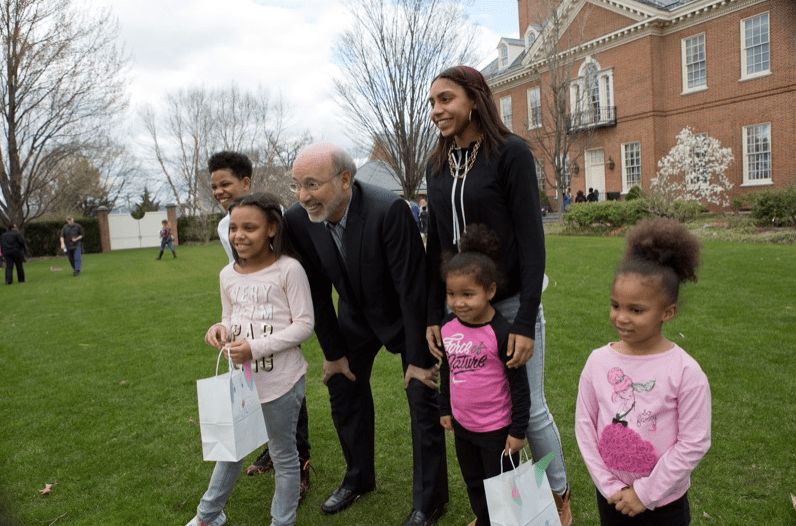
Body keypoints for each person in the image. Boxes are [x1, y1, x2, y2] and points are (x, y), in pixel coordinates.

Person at [424, 65, 572, 526]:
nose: (436, 111)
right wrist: (436, 311)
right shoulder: (437, 164)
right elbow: (437, 242)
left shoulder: (510, 154)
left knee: (529, 408)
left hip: (509, 304)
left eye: (445, 99)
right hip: (460, 310)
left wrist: (526, 319)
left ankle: (558, 492)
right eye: (431, 103)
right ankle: (503, 508)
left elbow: (532, 239)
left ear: (474, 98)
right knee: (479, 413)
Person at [284, 142, 448, 526]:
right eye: (296, 185)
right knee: (342, 384)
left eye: (312, 184)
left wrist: (419, 362)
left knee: (421, 395)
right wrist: (333, 353)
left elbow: (412, 289)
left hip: (404, 316)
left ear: (344, 180)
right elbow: (317, 292)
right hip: (355, 316)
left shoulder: (386, 210)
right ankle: (358, 477)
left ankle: (430, 502)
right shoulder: (297, 219)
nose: (303, 196)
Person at [575, 218, 711, 525]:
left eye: (636, 310)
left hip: (665, 504)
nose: (621, 317)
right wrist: (609, 486)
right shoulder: (597, 362)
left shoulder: (686, 371)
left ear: (667, 312)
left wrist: (645, 493)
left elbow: (694, 443)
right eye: (615, 305)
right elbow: (585, 427)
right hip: (612, 498)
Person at [190, 193, 315, 526]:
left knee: (284, 457)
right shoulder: (227, 275)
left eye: (249, 227)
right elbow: (231, 317)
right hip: (242, 383)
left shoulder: (289, 270)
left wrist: (255, 348)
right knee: (229, 452)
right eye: (233, 228)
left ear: (272, 228)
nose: (239, 236)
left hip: (281, 384)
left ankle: (281, 522)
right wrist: (220, 329)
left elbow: (305, 325)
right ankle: (207, 516)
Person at [437, 224, 529, 526]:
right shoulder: (448, 328)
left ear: (490, 290)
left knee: (502, 488)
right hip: (464, 428)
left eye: (467, 294)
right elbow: (446, 369)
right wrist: (445, 409)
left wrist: (517, 431)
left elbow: (519, 385)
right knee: (474, 482)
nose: (458, 302)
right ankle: (484, 519)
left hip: (497, 432)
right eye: (451, 293)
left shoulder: (501, 332)